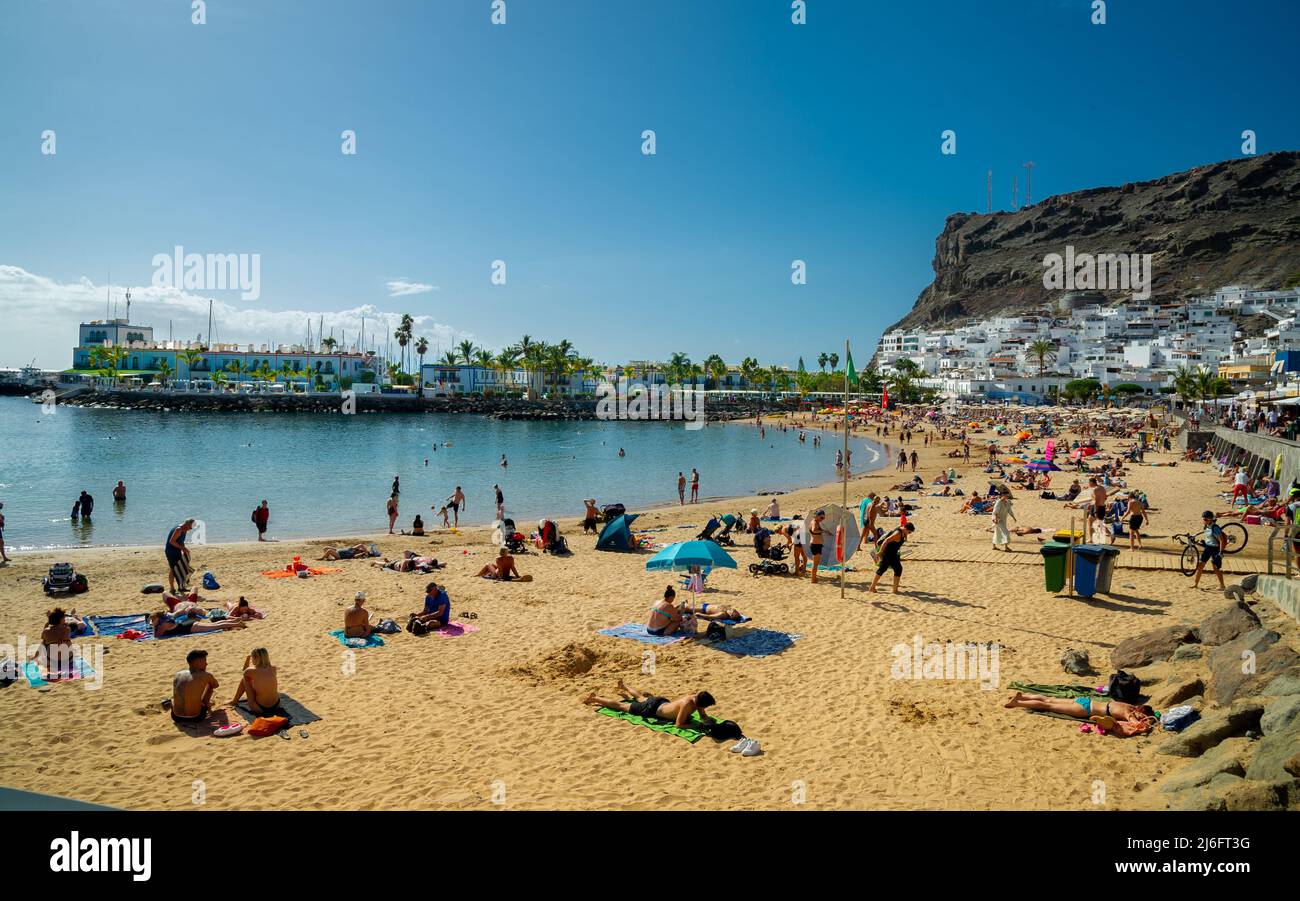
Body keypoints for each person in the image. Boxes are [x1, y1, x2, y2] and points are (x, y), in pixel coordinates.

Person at [583, 679, 716, 731]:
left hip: (661, 702)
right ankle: (595, 699)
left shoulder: (697, 698)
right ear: (701, 702)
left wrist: (707, 720)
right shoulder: (687, 704)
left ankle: (623, 685)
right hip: (652, 709)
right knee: (621, 706)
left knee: (641, 698)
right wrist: (697, 725)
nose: (705, 708)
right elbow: (678, 725)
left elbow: (703, 715)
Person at [1004, 690, 1157, 733]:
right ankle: (1018, 702)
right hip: (1084, 709)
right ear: (1140, 712)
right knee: (1048, 707)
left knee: (1049, 699)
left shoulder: (1126, 705)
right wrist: (1146, 723)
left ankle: (1023, 695)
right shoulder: (1128, 713)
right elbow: (1137, 724)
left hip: (1085, 700)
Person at [171, 649, 219, 723]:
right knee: (210, 686)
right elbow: (216, 685)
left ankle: (198, 703)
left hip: (175, 716)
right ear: (197, 663)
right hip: (195, 717)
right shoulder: (206, 675)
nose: (206, 664)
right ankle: (207, 705)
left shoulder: (178, 674)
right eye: (204, 661)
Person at [228, 648, 280, 714]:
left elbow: (244, 671)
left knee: (245, 679)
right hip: (277, 705)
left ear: (255, 658)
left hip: (260, 708)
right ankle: (235, 701)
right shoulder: (273, 668)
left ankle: (235, 701)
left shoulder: (251, 671)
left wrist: (247, 658)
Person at [869, 522, 914, 594]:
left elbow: (897, 542)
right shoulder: (898, 534)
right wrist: (880, 552)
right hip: (888, 553)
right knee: (896, 569)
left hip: (893, 553)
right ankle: (894, 589)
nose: (909, 534)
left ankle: (873, 587)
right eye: (909, 532)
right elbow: (886, 540)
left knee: (884, 568)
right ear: (905, 529)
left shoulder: (902, 531)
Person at [1193, 510, 1227, 591]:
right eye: (1203, 519)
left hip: (1216, 549)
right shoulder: (1206, 526)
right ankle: (1195, 584)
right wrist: (1202, 543)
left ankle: (1222, 586)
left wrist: (1220, 553)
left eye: (1206, 519)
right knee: (1200, 565)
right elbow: (1209, 538)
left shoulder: (1215, 528)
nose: (1204, 521)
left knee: (1216, 568)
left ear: (1211, 519)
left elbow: (1221, 540)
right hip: (1208, 548)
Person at [151, 609, 245, 638]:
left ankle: (236, 624)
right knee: (213, 625)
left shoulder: (162, 625)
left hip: (188, 627)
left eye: (153, 620)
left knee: (215, 626)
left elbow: (156, 636)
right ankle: (233, 621)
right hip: (186, 623)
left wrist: (154, 626)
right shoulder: (166, 619)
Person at [165, 519, 195, 593]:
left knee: (182, 568)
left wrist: (184, 550)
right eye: (190, 527)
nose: (190, 529)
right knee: (173, 569)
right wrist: (183, 548)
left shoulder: (184, 530)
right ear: (187, 524)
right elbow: (171, 541)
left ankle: (181, 587)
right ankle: (172, 589)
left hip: (177, 551)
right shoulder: (179, 529)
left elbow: (181, 542)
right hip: (171, 552)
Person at [808, 510, 826, 584]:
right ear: (817, 516)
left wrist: (824, 531)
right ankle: (813, 579)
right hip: (815, 545)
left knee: (816, 563)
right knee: (815, 564)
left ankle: (814, 578)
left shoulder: (816, 522)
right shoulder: (814, 522)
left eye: (823, 518)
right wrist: (822, 532)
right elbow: (814, 530)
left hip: (816, 544)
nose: (822, 519)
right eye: (821, 517)